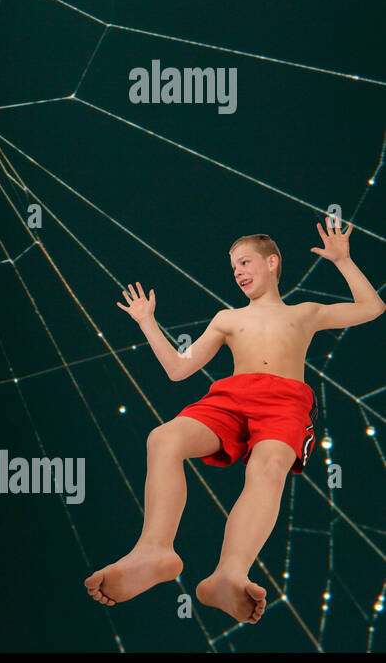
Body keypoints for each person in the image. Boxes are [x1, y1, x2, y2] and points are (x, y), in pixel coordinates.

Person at [85, 222, 383, 623]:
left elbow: (372, 307)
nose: (239, 272)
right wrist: (147, 322)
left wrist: (344, 261)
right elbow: (178, 369)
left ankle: (230, 573)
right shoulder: (227, 318)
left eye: (245, 262)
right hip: (231, 399)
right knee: (164, 438)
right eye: (233, 268)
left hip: (284, 403)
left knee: (269, 466)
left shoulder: (304, 313)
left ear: (272, 262)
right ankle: (154, 549)